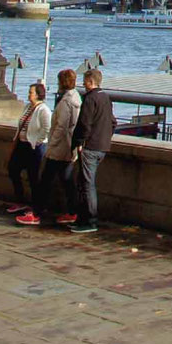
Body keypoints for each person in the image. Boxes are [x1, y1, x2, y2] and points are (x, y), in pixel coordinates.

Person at [16, 69, 80, 228]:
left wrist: (51, 145)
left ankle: (37, 213)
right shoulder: (76, 98)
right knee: (66, 181)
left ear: (62, 82)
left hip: (59, 148)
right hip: (67, 147)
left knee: (46, 180)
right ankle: (72, 211)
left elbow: (61, 127)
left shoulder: (66, 102)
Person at [67, 66, 114, 235]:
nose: (83, 84)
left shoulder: (89, 99)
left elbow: (84, 124)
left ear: (90, 82)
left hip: (89, 147)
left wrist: (80, 142)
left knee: (87, 185)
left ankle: (90, 220)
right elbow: (113, 122)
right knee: (85, 184)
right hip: (102, 146)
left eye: (85, 81)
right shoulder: (106, 98)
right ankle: (83, 219)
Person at [7, 81, 47, 207]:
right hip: (21, 144)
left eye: (31, 92)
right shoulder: (28, 107)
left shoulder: (43, 110)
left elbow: (47, 129)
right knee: (13, 169)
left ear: (38, 95)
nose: (29, 95)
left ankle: (35, 206)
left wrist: (37, 141)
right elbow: (21, 124)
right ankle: (20, 200)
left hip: (33, 147)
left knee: (33, 177)